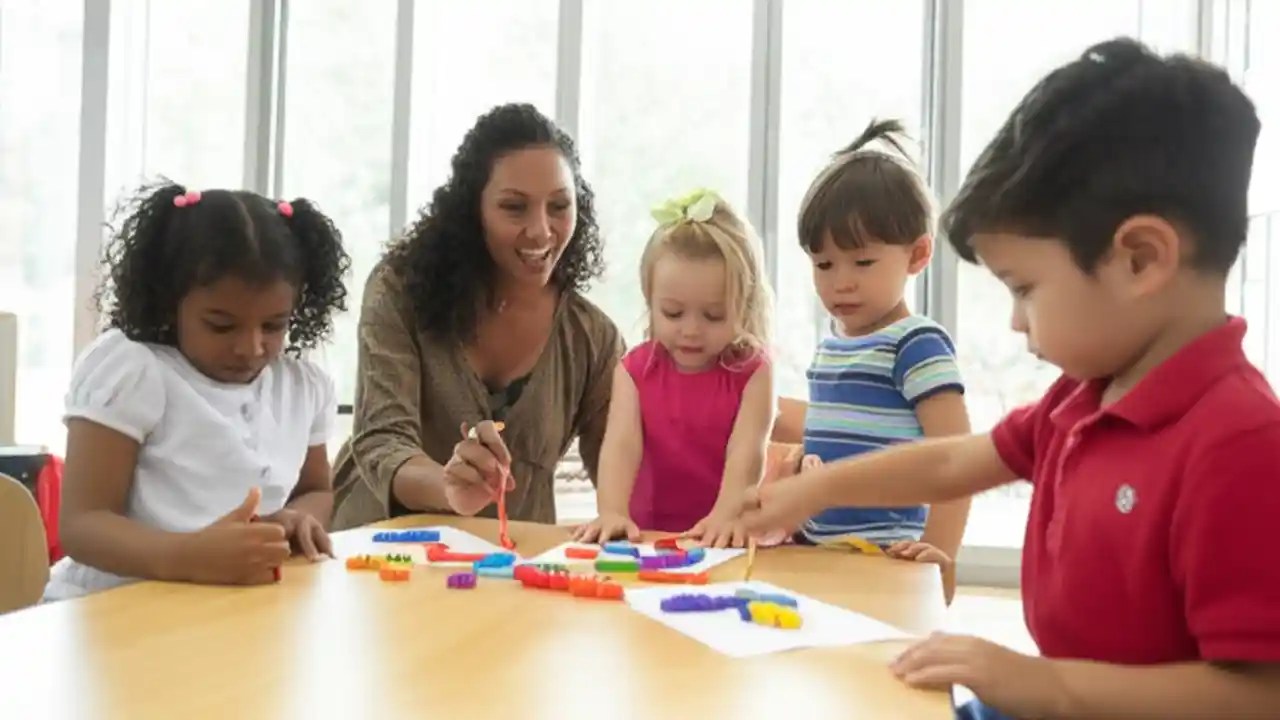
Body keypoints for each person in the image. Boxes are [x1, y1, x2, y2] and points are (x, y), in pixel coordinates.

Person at [742, 38, 1280, 719]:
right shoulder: (1081, 399)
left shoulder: (1241, 444)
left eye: (1025, 289)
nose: (1018, 324)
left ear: (1142, 259)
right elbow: (955, 462)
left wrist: (1043, 684)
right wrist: (811, 491)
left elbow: (1262, 695)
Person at [48, 182, 350, 600]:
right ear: (170, 303)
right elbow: (83, 524)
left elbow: (316, 490)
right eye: (221, 325)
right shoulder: (135, 370)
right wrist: (190, 555)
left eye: (274, 325)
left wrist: (295, 518)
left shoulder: (303, 386)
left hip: (226, 609)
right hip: (114, 612)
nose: (251, 347)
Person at [330, 103, 622, 530]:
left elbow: (623, 475)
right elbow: (382, 440)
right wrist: (449, 488)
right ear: (473, 210)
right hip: (381, 560)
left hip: (511, 571)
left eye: (559, 206)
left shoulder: (593, 339)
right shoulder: (400, 291)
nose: (541, 231)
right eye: (514, 207)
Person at [571, 189, 774, 548]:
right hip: (645, 536)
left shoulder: (754, 372)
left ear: (744, 305)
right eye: (673, 313)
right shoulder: (633, 371)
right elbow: (621, 446)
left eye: (713, 315)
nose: (691, 330)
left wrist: (726, 516)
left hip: (721, 536)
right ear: (650, 301)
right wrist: (612, 511)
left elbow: (747, 452)